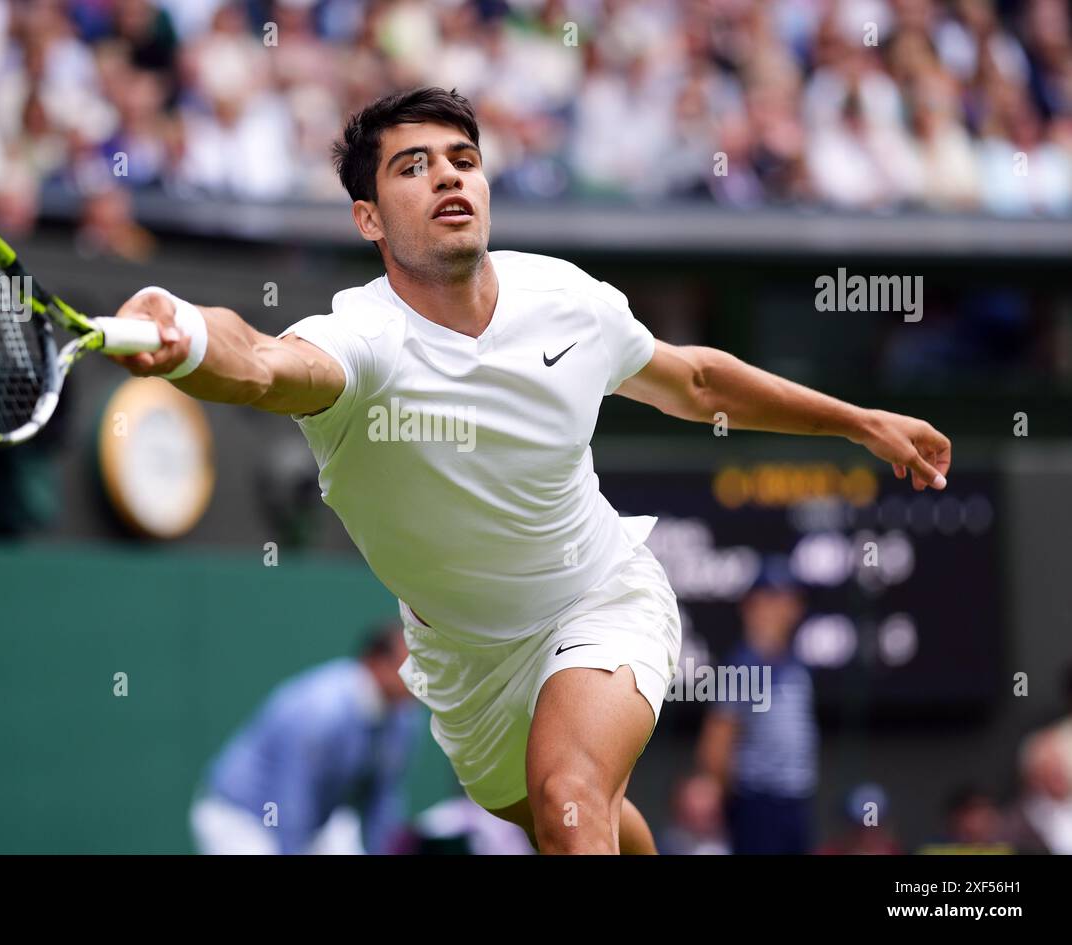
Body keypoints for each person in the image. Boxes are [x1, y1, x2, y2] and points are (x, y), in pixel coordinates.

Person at [109, 87, 952, 854]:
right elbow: (256, 361)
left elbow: (694, 380)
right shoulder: (360, 340)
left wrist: (860, 420)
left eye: (463, 161)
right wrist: (182, 327)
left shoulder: (566, 300)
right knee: (590, 820)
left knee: (570, 796)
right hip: (468, 670)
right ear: (369, 219)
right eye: (414, 166)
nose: (448, 178)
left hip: (600, 595)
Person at [190, 624, 419, 855]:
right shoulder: (322, 709)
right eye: (409, 664)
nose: (419, 676)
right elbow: (289, 798)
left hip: (316, 815)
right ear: (377, 662)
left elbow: (382, 802)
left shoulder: (403, 717)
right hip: (247, 816)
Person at [697, 557, 819, 854]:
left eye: (788, 600)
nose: (781, 609)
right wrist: (736, 802)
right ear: (750, 606)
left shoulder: (794, 665)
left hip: (796, 802)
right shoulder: (744, 666)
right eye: (771, 599)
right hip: (759, 804)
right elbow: (714, 748)